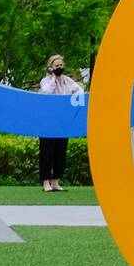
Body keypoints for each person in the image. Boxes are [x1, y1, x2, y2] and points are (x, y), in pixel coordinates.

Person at [38, 54, 82, 192]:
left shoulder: (67, 81)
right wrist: (52, 78)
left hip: (63, 122)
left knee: (60, 152)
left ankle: (56, 181)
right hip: (47, 122)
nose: (59, 68)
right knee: (46, 152)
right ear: (51, 67)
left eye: (61, 65)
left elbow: (79, 90)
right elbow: (46, 92)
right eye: (57, 66)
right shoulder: (45, 81)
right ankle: (46, 182)